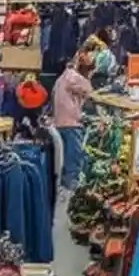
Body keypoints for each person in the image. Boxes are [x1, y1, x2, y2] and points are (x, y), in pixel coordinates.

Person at [52, 54, 94, 194]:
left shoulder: (61, 79)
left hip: (59, 122)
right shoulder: (74, 77)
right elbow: (89, 91)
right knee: (73, 158)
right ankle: (71, 189)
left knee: (63, 158)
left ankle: (64, 186)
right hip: (71, 124)